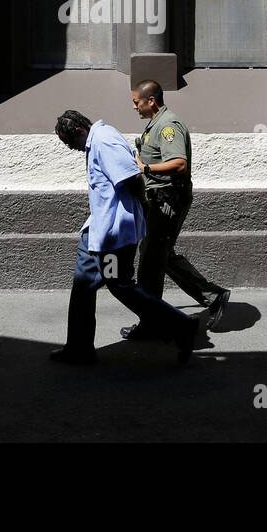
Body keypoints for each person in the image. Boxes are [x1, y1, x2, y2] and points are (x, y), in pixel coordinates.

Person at [49, 109, 200, 365]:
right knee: (84, 286)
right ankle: (79, 347)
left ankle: (181, 326)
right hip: (98, 230)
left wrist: (144, 206)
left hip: (113, 233)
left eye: (69, 142)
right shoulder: (98, 139)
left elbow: (131, 178)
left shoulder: (104, 141)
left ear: (78, 131)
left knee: (120, 286)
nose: (71, 149)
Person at [122, 80, 231, 341]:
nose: (134, 107)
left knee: (150, 260)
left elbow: (178, 163)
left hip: (167, 201)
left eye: (137, 102)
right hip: (158, 200)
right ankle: (212, 296)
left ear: (151, 101)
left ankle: (151, 323)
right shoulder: (155, 124)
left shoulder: (168, 125)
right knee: (160, 255)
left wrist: (145, 169)